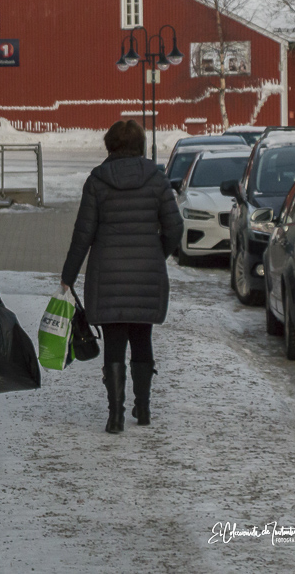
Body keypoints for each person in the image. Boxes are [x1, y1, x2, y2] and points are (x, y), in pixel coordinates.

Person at [60, 120, 183, 434]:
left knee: (114, 343)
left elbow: (82, 235)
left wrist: (68, 275)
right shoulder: (157, 179)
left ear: (109, 146)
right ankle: (142, 410)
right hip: (147, 273)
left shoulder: (97, 181)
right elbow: (175, 228)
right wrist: (158, 254)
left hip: (108, 275)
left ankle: (115, 417)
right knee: (142, 339)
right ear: (140, 146)